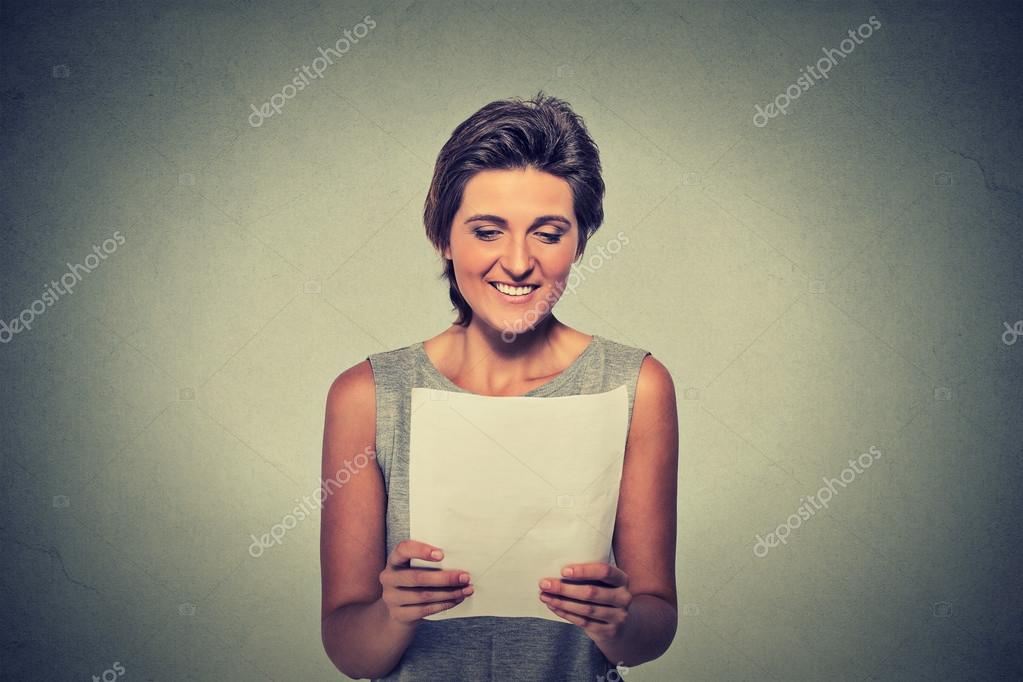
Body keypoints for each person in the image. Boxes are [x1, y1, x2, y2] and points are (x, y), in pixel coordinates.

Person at [320, 92, 678, 681]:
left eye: (548, 233)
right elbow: (348, 649)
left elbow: (654, 625)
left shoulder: (636, 385)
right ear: (444, 237)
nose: (517, 262)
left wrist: (618, 621)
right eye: (487, 231)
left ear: (580, 241)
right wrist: (394, 613)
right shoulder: (368, 395)